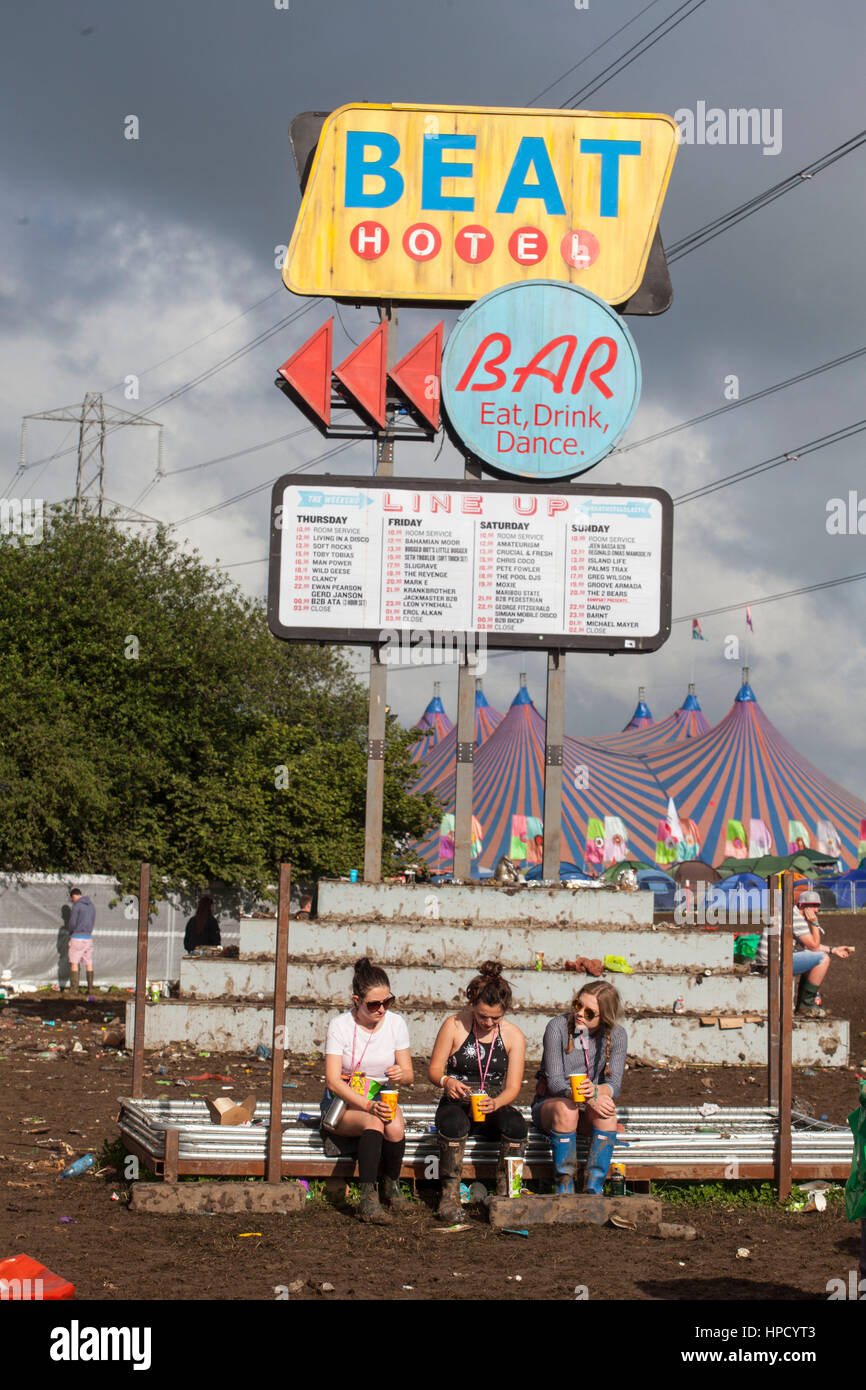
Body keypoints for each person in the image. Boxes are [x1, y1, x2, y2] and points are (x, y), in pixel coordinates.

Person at [428, 961, 527, 1222]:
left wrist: (496, 1104)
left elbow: (513, 1087)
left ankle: (510, 1193)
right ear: (472, 1004)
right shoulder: (454, 1025)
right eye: (483, 1016)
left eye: (496, 1017)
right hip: (457, 1100)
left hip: (491, 1102)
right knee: (453, 1123)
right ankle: (449, 1195)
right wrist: (447, 1082)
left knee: (516, 1124)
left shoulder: (513, 1035)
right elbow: (434, 1070)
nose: (489, 1022)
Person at [322, 957, 413, 1224]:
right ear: (356, 1000)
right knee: (375, 1120)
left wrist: (400, 1073)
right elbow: (332, 1080)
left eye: (388, 1002)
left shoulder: (396, 1024)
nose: (382, 1009)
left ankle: (392, 1186)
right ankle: (367, 1198)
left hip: (379, 1093)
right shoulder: (340, 1026)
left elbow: (408, 1074)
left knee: (395, 1127)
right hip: (342, 1101)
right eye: (374, 1004)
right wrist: (367, 1105)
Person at [532, 980, 627, 1195]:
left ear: (604, 1018)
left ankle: (593, 1188)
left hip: (585, 1106)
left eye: (589, 1012)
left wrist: (595, 1093)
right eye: (577, 1005)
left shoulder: (617, 1035)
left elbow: (614, 1086)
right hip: (552, 1105)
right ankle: (564, 1187)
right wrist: (588, 1097)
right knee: (567, 1110)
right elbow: (556, 1083)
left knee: (609, 1115)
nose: (580, 1014)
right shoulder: (557, 1027)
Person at [754, 888, 853, 1017]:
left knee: (814, 958)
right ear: (802, 905)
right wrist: (814, 924)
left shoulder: (788, 913)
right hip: (772, 964)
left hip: (767, 962)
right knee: (823, 959)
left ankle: (806, 1004)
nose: (816, 911)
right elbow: (813, 946)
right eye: (813, 906)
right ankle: (806, 1006)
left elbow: (808, 946)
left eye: (818, 906)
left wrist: (833, 950)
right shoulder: (796, 918)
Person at [67, 886, 96, 994]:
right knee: (89, 963)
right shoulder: (91, 906)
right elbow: (92, 921)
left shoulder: (76, 906)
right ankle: (90, 988)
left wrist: (71, 933)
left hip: (77, 937)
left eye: (72, 899)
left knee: (74, 962)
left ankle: (74, 989)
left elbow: (73, 922)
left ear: (74, 896)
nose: (72, 901)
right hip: (88, 938)